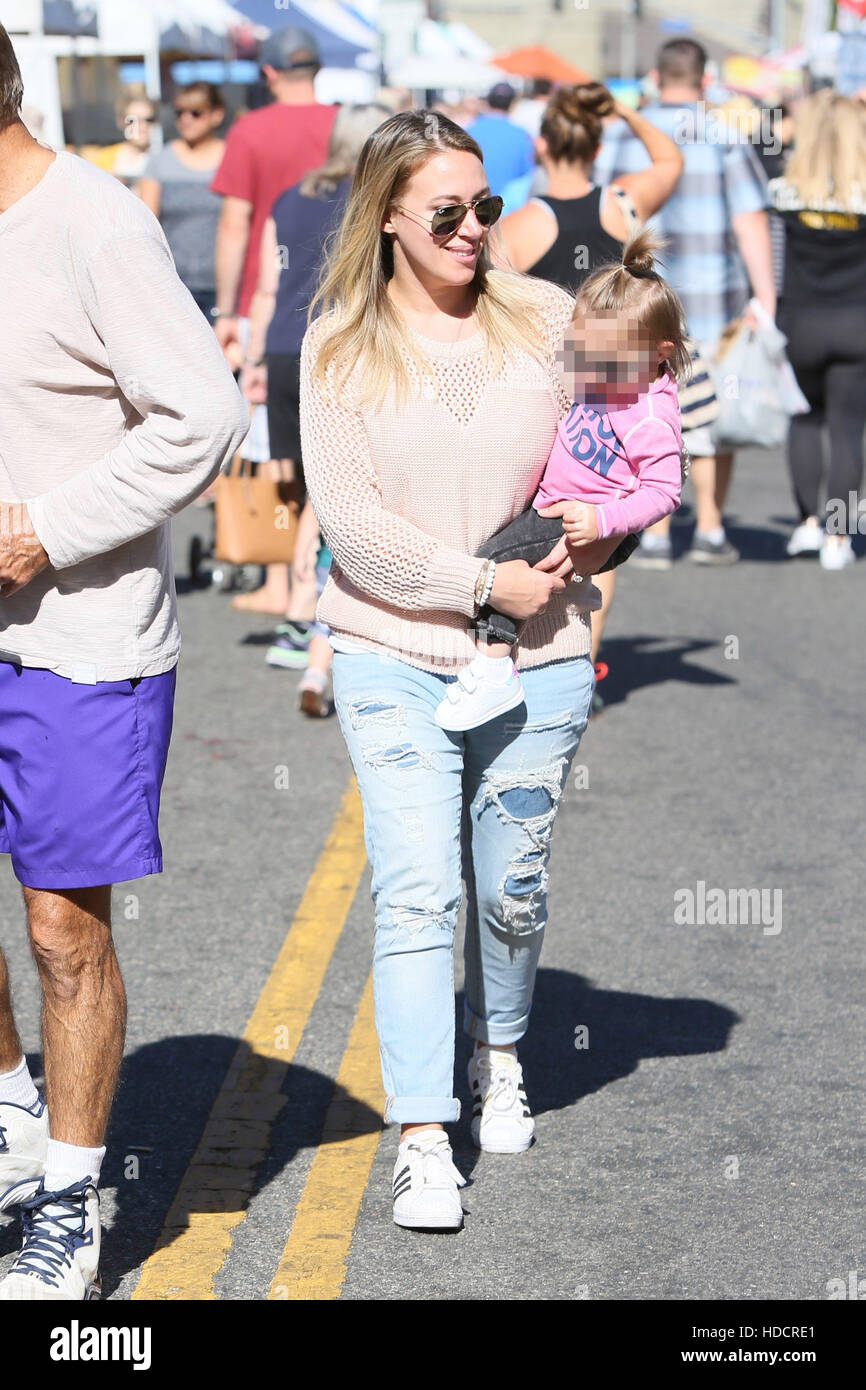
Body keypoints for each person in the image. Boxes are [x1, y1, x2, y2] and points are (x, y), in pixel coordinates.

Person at [300, 110, 625, 1230]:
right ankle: (422, 1136)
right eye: (446, 210)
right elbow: (351, 522)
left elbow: (616, 454)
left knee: (509, 889)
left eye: (484, 206)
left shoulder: (542, 318)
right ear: (385, 213)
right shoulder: (337, 339)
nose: (473, 229)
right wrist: (480, 584)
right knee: (417, 890)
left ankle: (499, 1052)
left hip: (541, 656)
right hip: (393, 651)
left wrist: (602, 525)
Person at [0, 24, 248, 1299]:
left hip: (76, 631)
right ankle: (8, 1114)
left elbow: (204, 414)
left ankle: (71, 1198)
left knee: (60, 930)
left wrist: (47, 530)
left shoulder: (93, 222)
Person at [436, 230, 688, 732]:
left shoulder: (650, 415)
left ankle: (492, 670)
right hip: (564, 508)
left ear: (661, 351)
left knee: (493, 563)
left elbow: (665, 491)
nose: (593, 367)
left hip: (581, 517)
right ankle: (492, 654)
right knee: (500, 561)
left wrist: (601, 522)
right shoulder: (617, 374)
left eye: (608, 358)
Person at [498, 81, 684, 703]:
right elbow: (671, 161)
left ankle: (519, 657)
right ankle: (582, 658)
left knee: (538, 533)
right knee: (600, 542)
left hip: (569, 396)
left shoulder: (526, 224)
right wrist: (627, 110)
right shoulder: (625, 204)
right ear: (598, 140)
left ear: (541, 145)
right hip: (629, 406)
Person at [593, 38, 775, 567]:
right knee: (709, 413)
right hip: (712, 299)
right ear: (705, 77)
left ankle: (652, 534)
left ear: (654, 75)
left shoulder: (623, 134)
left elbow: (601, 211)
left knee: (649, 407)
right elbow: (750, 221)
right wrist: (765, 299)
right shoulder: (723, 134)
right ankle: (710, 530)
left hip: (638, 299)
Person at [241, 102, 390, 687]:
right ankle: (309, 616)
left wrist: (253, 360)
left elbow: (266, 287)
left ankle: (299, 611)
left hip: (281, 347)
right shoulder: (371, 203)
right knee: (335, 490)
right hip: (338, 349)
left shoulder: (289, 198)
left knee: (300, 486)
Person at [210, 24, 336, 615]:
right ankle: (326, 581)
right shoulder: (345, 127)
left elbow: (237, 223)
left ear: (267, 73)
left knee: (280, 458)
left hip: (274, 303)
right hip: (340, 305)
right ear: (317, 68)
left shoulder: (250, 130)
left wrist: (228, 310)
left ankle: (282, 584)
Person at [768, 89, 866, 571]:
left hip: (799, 320)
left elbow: (773, 257)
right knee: (849, 430)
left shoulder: (784, 189)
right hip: (857, 323)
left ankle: (808, 522)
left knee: (804, 420)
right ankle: (838, 536)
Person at [136, 82, 226, 320]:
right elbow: (146, 225)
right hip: (173, 284)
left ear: (216, 114)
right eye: (179, 113)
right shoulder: (160, 162)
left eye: (196, 112)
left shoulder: (232, 160)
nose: (186, 119)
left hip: (223, 287)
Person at [466, 82, 535, 202]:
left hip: (475, 208)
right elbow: (528, 179)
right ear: (512, 104)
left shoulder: (467, 132)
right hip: (509, 210)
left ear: (488, 101)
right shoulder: (523, 136)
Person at [84, 95, 157, 186]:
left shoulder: (163, 160)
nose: (141, 126)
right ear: (121, 122)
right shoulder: (105, 158)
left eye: (148, 120)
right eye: (132, 120)